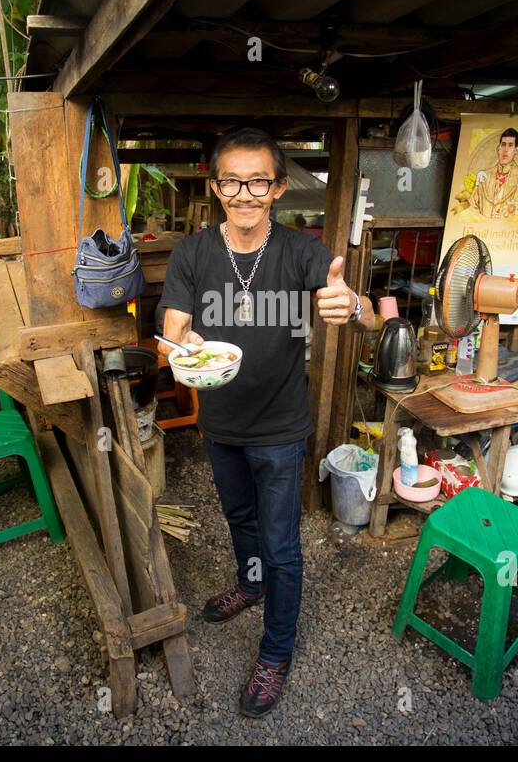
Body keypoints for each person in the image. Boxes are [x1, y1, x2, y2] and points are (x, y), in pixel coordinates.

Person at [158, 127, 375, 718]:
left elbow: (370, 315)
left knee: (282, 545)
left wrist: (350, 307)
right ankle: (250, 585)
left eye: (258, 181)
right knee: (239, 517)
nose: (244, 193)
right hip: (221, 423)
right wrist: (182, 341)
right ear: (215, 186)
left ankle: (276, 650)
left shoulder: (303, 251)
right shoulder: (194, 251)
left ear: (278, 188)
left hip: (281, 430)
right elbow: (173, 325)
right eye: (232, 180)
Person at [461, 128, 518, 219]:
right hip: (483, 230)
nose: (506, 150)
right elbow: (472, 207)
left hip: (510, 231)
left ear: (516, 150)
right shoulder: (484, 176)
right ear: (498, 148)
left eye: (510, 145)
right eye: (503, 145)